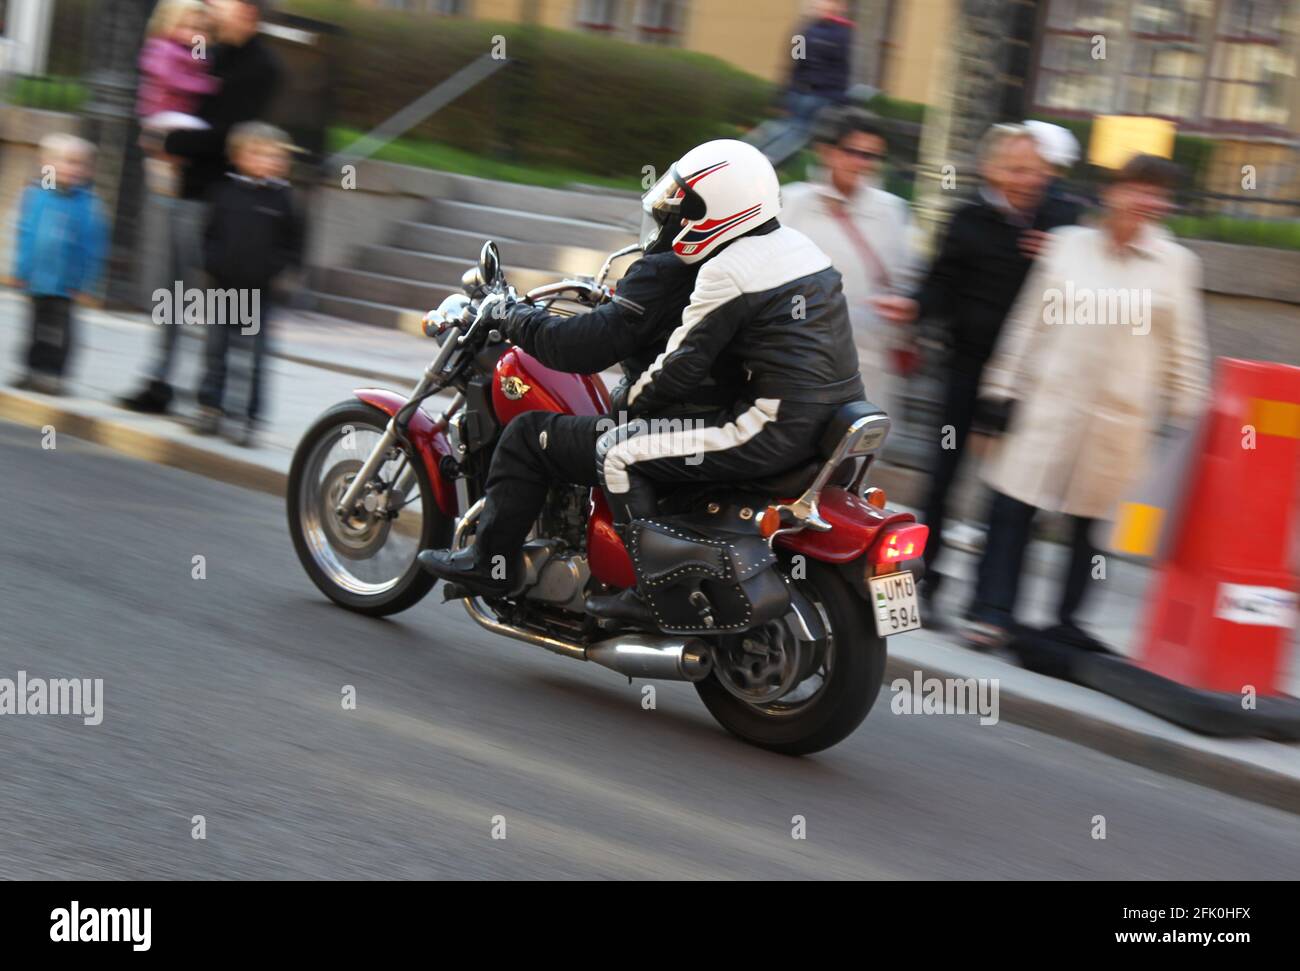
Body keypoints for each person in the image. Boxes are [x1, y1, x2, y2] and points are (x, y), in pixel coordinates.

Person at [589, 139, 863, 623]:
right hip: (833, 421)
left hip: (771, 429)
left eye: (687, 207)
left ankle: (650, 594)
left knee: (616, 452)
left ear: (718, 208)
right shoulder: (804, 248)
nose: (678, 217)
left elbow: (680, 365)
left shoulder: (729, 269)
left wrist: (627, 402)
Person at [416, 206, 739, 597]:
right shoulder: (731, 266)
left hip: (669, 428)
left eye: (665, 218)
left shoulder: (667, 271)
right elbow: (641, 321)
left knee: (527, 435)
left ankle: (490, 564)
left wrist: (512, 315)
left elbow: (579, 348)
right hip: (715, 424)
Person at [964, 154, 1210, 650]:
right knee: (1012, 508)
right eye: (1137, 188)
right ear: (1110, 192)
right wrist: (1000, 390)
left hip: (1119, 419)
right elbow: (1028, 322)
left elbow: (1184, 346)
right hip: (1047, 404)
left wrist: (1192, 417)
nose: (1147, 201)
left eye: (1158, 193)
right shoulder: (1067, 246)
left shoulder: (1176, 264)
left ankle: (1067, 622)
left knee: (1094, 528)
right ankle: (992, 612)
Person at [873, 123, 1081, 612]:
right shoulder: (967, 219)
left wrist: (1062, 258)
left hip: (1030, 376)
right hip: (967, 367)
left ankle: (989, 604)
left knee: (1010, 488)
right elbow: (940, 282)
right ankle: (927, 582)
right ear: (992, 170)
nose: (1029, 180)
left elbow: (1086, 281)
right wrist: (915, 308)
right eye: (1017, 169)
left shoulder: (1064, 222)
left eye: (1037, 170)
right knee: (944, 476)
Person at [121, 0, 282, 415]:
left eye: (220, 3)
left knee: (209, 297)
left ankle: (210, 392)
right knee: (172, 290)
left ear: (246, 11)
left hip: (218, 199)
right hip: (183, 189)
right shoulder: (212, 51)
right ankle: (162, 379)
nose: (212, 9)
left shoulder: (261, 67)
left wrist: (168, 141)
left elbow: (229, 136)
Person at [782, 105, 917, 418]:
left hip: (867, 361)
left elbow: (907, 279)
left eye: (871, 156)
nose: (862, 163)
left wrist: (906, 306)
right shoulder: (791, 203)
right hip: (797, 356)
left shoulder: (892, 211)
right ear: (826, 151)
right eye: (852, 152)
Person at [194, 123, 302, 446]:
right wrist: (211, 265)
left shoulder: (284, 200)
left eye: (273, 156)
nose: (266, 161)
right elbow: (209, 234)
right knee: (216, 351)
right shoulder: (224, 193)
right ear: (238, 157)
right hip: (223, 287)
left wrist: (278, 272)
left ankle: (249, 419)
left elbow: (294, 243)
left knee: (255, 359)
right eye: (257, 154)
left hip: (259, 292)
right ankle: (210, 408)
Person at [10, 134, 108, 396]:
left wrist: (85, 282)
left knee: (62, 331)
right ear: (45, 164)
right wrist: (20, 270)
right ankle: (32, 370)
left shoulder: (88, 204)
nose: (71, 168)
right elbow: (25, 235)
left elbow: (92, 246)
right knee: (34, 328)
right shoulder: (36, 196)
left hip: (66, 283)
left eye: (79, 163)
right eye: (64, 161)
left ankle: (55, 375)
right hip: (37, 278)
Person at [137, 0, 221, 198]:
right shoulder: (161, 48)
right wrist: (206, 85)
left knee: (174, 161)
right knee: (201, 131)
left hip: (178, 114)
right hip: (161, 113)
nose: (193, 33)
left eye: (199, 28)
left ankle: (167, 185)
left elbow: (203, 65)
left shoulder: (193, 48)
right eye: (186, 26)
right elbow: (170, 79)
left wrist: (201, 43)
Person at [785, 0, 855, 128]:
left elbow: (795, 63)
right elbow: (841, 69)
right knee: (800, 130)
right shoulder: (841, 34)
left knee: (792, 128)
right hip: (817, 95)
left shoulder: (803, 30)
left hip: (802, 93)